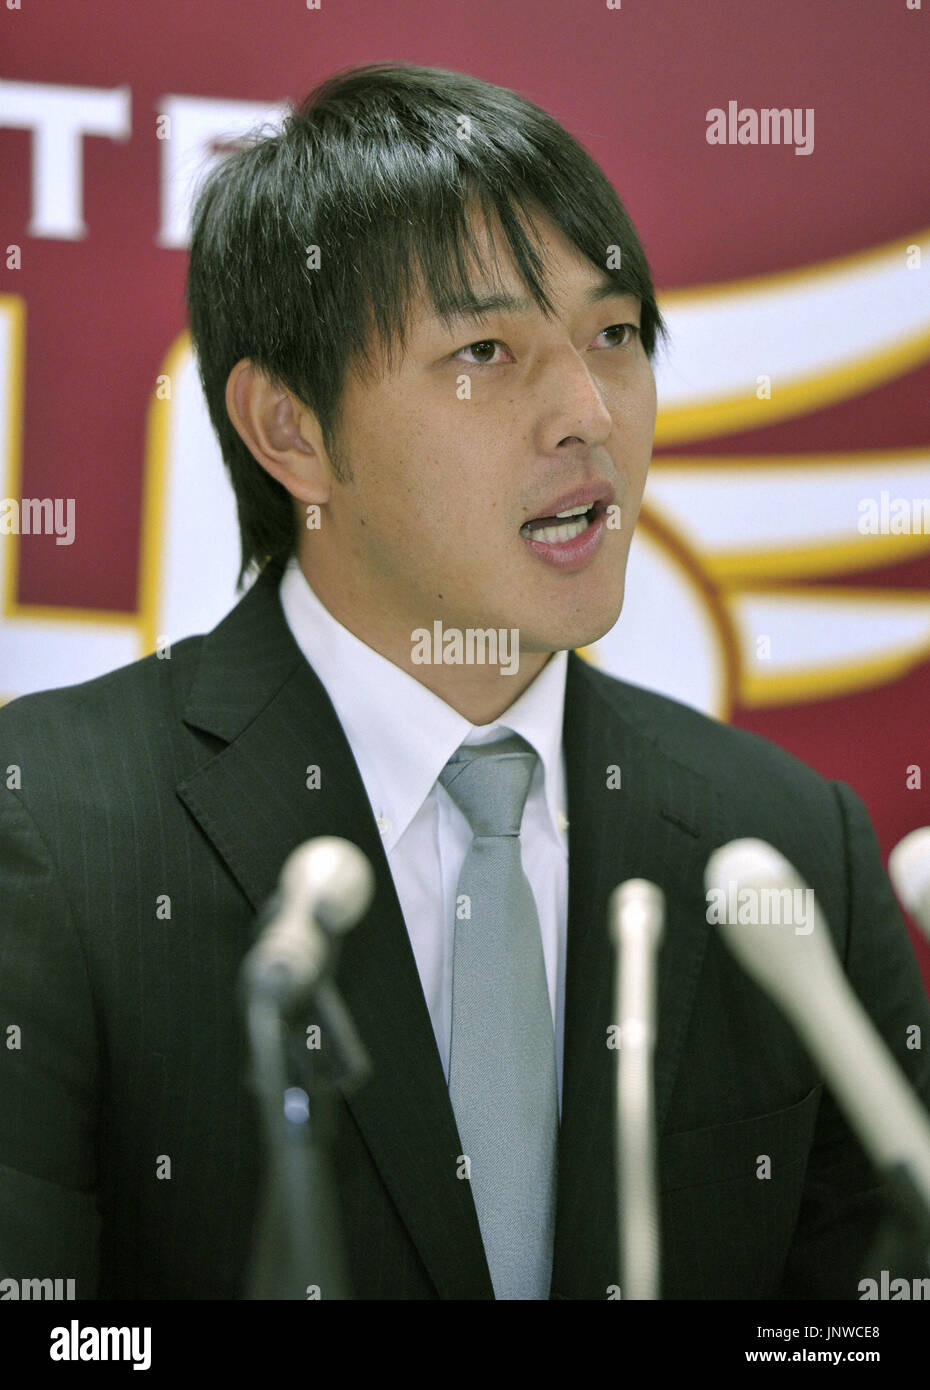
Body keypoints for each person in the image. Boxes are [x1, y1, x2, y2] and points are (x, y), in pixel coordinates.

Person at [1, 61, 928, 1301]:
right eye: (485, 348)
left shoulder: (780, 840)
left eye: (614, 335)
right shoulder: (53, 828)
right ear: (292, 431)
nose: (589, 414)